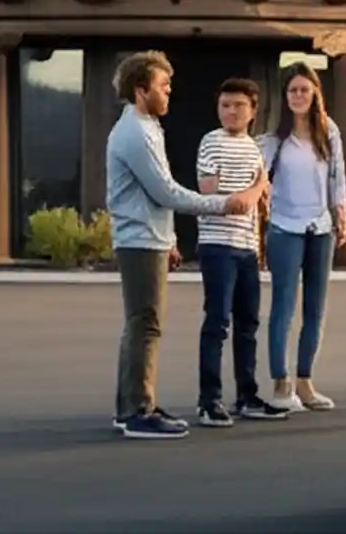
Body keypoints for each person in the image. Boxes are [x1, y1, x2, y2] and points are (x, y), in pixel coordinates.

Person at [106, 51, 266, 440]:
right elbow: (167, 192)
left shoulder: (147, 127)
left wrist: (173, 239)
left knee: (142, 323)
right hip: (140, 240)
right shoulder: (135, 133)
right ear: (141, 89)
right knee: (145, 323)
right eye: (163, 86)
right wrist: (225, 204)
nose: (169, 92)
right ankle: (136, 411)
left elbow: (156, 194)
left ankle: (133, 403)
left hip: (152, 237)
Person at [193, 78, 291, 427]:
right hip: (217, 246)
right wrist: (257, 187)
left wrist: (259, 242)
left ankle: (247, 396)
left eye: (238, 105)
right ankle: (209, 400)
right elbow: (214, 198)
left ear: (252, 110)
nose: (231, 111)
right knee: (217, 321)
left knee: (248, 324)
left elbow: (256, 207)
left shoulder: (253, 147)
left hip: (247, 247)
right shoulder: (210, 143)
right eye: (225, 105)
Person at [257, 62, 346, 412]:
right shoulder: (273, 140)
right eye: (293, 90)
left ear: (315, 95)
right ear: (285, 96)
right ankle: (282, 383)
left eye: (304, 90)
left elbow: (338, 174)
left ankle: (306, 381)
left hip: (320, 228)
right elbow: (260, 179)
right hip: (284, 227)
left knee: (316, 308)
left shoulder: (329, 131)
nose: (298, 96)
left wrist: (342, 210)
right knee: (283, 305)